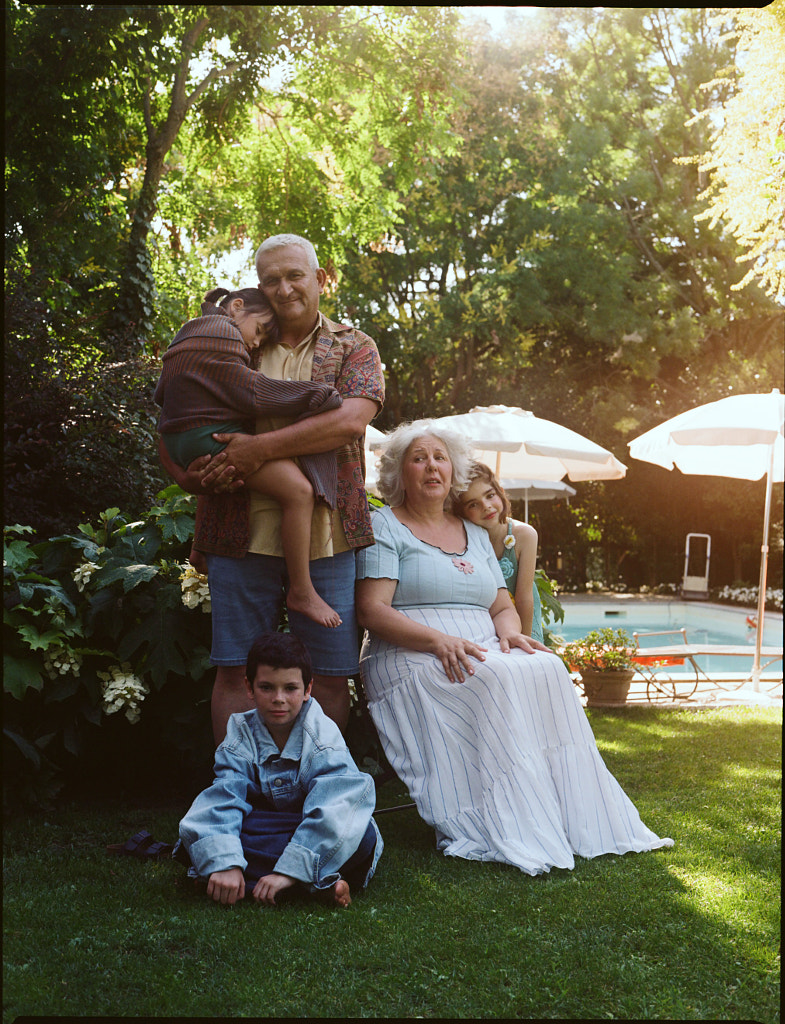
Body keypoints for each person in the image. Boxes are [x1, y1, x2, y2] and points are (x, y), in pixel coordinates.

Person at [355, 420, 673, 875]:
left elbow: (501, 605)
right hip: (410, 652)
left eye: (440, 457)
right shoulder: (386, 526)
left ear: (453, 469)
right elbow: (372, 610)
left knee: (547, 667)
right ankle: (507, 816)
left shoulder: (471, 530)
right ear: (399, 473)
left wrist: (510, 632)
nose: (432, 467)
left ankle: (566, 813)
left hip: (481, 644)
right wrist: (439, 639)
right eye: (419, 458)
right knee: (496, 677)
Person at [159, 234, 385, 742]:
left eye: (295, 276)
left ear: (320, 279)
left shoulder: (354, 346)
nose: (284, 289)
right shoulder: (239, 342)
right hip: (237, 530)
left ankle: (317, 778)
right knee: (236, 670)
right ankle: (237, 781)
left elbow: (348, 422)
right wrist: (184, 477)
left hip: (327, 534)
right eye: (271, 280)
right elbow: (177, 409)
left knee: (330, 674)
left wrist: (257, 449)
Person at [155, 285, 344, 629]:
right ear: (237, 307)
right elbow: (254, 392)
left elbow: (161, 397)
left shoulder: (188, 332)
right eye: (258, 331)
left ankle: (200, 549)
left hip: (179, 439)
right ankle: (302, 591)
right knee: (299, 492)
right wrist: (317, 394)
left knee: (224, 481)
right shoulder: (222, 334)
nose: (256, 343)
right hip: (208, 436)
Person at [177, 632, 383, 907]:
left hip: (310, 827)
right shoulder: (240, 733)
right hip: (265, 828)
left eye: (290, 688)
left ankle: (263, 880)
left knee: (362, 835)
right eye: (266, 687)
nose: (278, 699)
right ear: (249, 688)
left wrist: (290, 868)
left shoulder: (322, 737)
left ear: (308, 689)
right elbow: (226, 796)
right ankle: (311, 886)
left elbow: (336, 808)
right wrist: (225, 861)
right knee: (199, 834)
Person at [454, 462, 543, 642]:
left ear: (501, 492)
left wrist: (524, 642)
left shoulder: (524, 535)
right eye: (473, 504)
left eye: (490, 495)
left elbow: (524, 598)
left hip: (522, 623)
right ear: (462, 512)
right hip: (484, 627)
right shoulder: (462, 540)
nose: (486, 506)